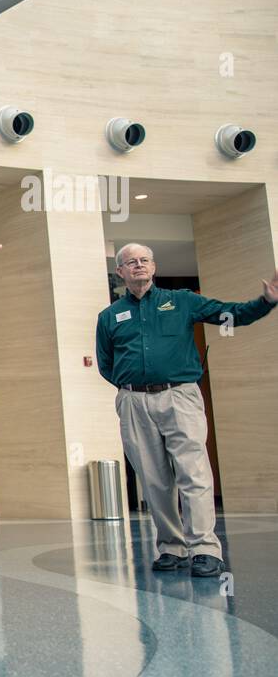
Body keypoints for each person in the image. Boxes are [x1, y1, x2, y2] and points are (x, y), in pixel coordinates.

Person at [96, 243, 276, 576]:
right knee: (154, 480)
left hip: (179, 397)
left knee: (193, 473)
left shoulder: (182, 301)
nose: (138, 265)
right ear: (119, 271)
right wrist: (130, 390)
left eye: (144, 260)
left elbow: (230, 314)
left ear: (153, 267)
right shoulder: (109, 317)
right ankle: (172, 548)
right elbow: (106, 363)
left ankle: (205, 549)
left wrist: (267, 301)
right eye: (130, 262)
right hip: (134, 401)